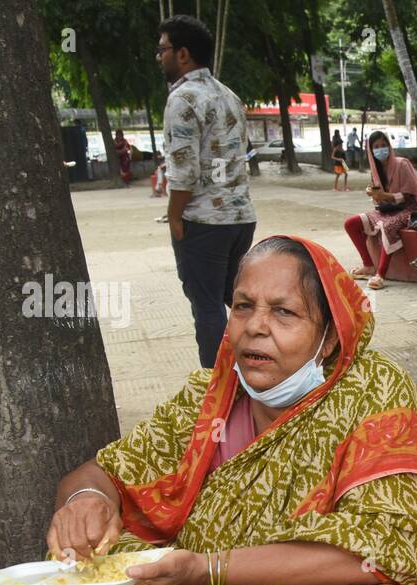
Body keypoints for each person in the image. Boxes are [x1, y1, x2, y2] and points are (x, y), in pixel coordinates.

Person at [44, 236, 417, 585]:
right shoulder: (211, 398)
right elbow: (100, 471)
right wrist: (85, 501)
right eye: (243, 306)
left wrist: (205, 570)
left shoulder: (373, 390)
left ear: (329, 338)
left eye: (284, 313)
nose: (255, 328)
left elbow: (388, 547)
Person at [158, 14, 257, 369]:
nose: (159, 57)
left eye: (163, 50)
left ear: (183, 54)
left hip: (204, 222)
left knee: (207, 304)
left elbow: (183, 171)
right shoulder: (229, 95)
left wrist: (173, 217)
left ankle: (216, 390)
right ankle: (262, 365)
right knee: (239, 299)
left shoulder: (182, 99)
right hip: (240, 218)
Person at [343, 131, 417, 290]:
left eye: (383, 145)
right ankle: (368, 265)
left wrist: (384, 195)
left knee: (388, 226)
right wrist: (373, 194)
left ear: (389, 146)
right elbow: (379, 199)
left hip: (409, 208)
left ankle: (380, 274)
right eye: (376, 147)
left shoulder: (402, 164)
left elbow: (409, 195)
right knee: (351, 223)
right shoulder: (376, 169)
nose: (381, 149)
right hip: (387, 209)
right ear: (371, 151)